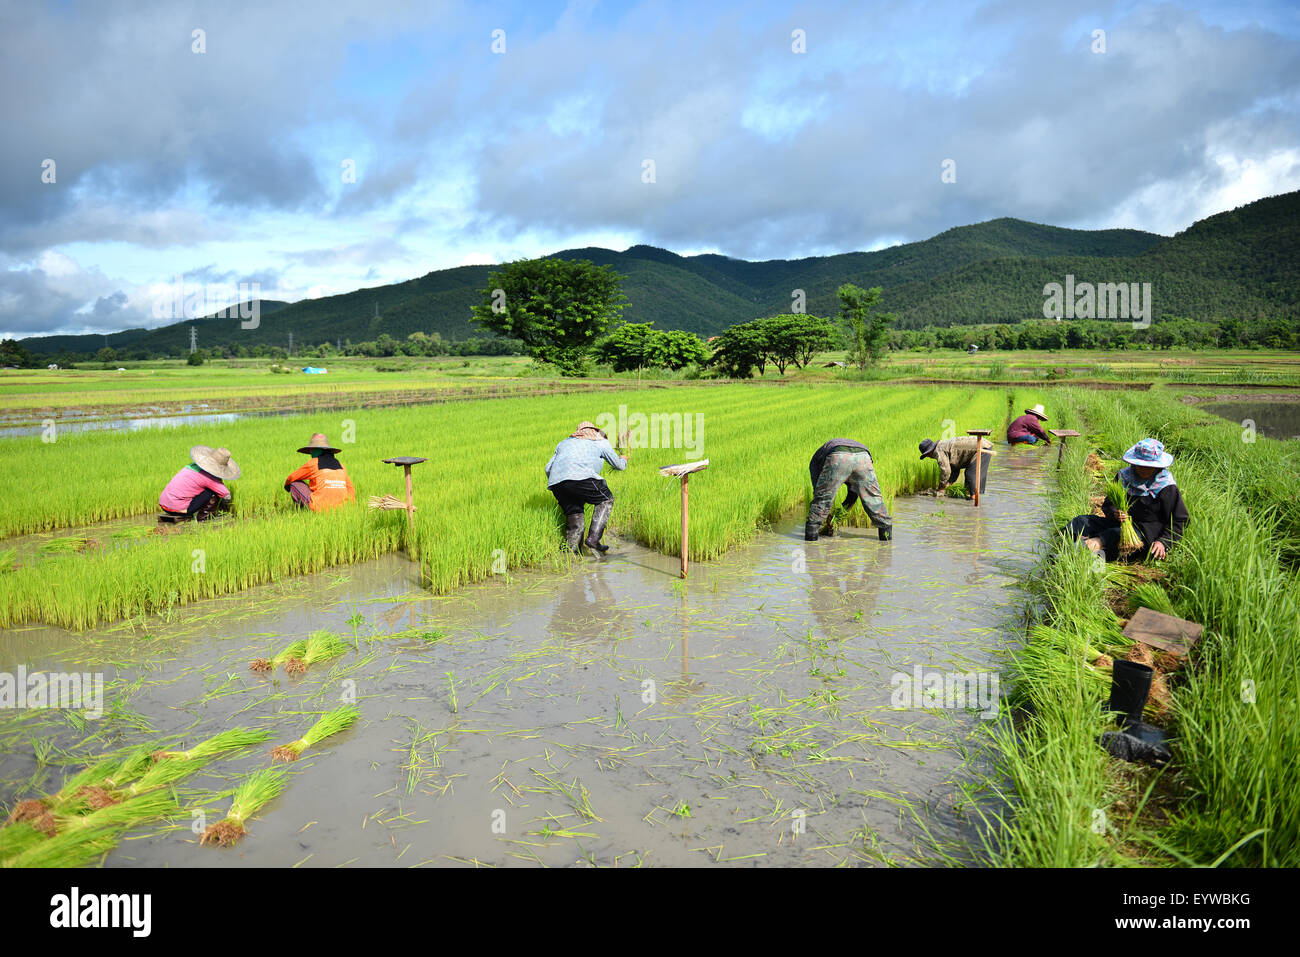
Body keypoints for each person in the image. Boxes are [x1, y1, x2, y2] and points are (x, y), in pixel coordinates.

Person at [1066, 438, 1190, 562]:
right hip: (1119, 523)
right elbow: (1109, 503)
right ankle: (1074, 546)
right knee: (1080, 522)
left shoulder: (1166, 486)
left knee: (1113, 535)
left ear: (1157, 466)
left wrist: (1164, 541)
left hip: (1144, 533)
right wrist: (1115, 513)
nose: (1143, 469)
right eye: (1139, 465)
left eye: (1148, 467)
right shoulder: (1124, 477)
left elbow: (1180, 520)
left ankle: (1082, 550)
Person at [546, 421, 628, 553]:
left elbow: (548, 468)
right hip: (582, 477)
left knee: (575, 514)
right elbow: (619, 465)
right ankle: (593, 539)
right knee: (606, 499)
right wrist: (624, 458)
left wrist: (562, 481)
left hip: (557, 483)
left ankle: (571, 553)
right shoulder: (599, 440)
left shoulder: (564, 443)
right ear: (594, 430)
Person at [805, 438, 893, 542]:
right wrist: (835, 517)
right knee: (875, 501)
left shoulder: (815, 463)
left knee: (821, 501)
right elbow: (852, 496)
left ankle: (811, 547)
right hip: (863, 457)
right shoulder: (820, 459)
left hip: (838, 456)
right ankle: (886, 544)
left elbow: (820, 495)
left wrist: (826, 513)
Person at [160, 445, 239, 521]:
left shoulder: (191, 466)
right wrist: (224, 507)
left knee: (202, 488)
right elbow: (226, 495)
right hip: (179, 509)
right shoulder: (210, 478)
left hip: (164, 504)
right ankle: (204, 518)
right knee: (213, 492)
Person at [283, 433, 356, 511]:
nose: (311, 452)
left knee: (295, 484)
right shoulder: (341, 465)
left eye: (312, 450)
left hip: (319, 508)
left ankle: (302, 513)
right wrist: (349, 506)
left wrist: (287, 486)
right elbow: (350, 489)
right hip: (342, 509)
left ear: (316, 450)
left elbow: (291, 477)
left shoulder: (313, 463)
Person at [918, 436, 996, 497]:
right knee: (969, 484)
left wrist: (941, 488)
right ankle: (972, 499)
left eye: (927, 455)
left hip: (981, 447)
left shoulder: (938, 451)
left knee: (970, 475)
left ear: (929, 451)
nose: (929, 457)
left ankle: (974, 504)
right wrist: (948, 483)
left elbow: (946, 471)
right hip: (982, 444)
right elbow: (955, 468)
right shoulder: (943, 447)